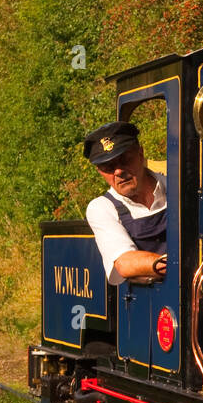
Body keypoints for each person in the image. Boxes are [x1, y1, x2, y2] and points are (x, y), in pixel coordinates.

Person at [82, 121, 167, 285]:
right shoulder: (101, 208)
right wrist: (180, 266)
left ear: (140, 154)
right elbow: (125, 263)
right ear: (100, 172)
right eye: (109, 167)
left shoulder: (177, 187)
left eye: (125, 160)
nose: (119, 171)